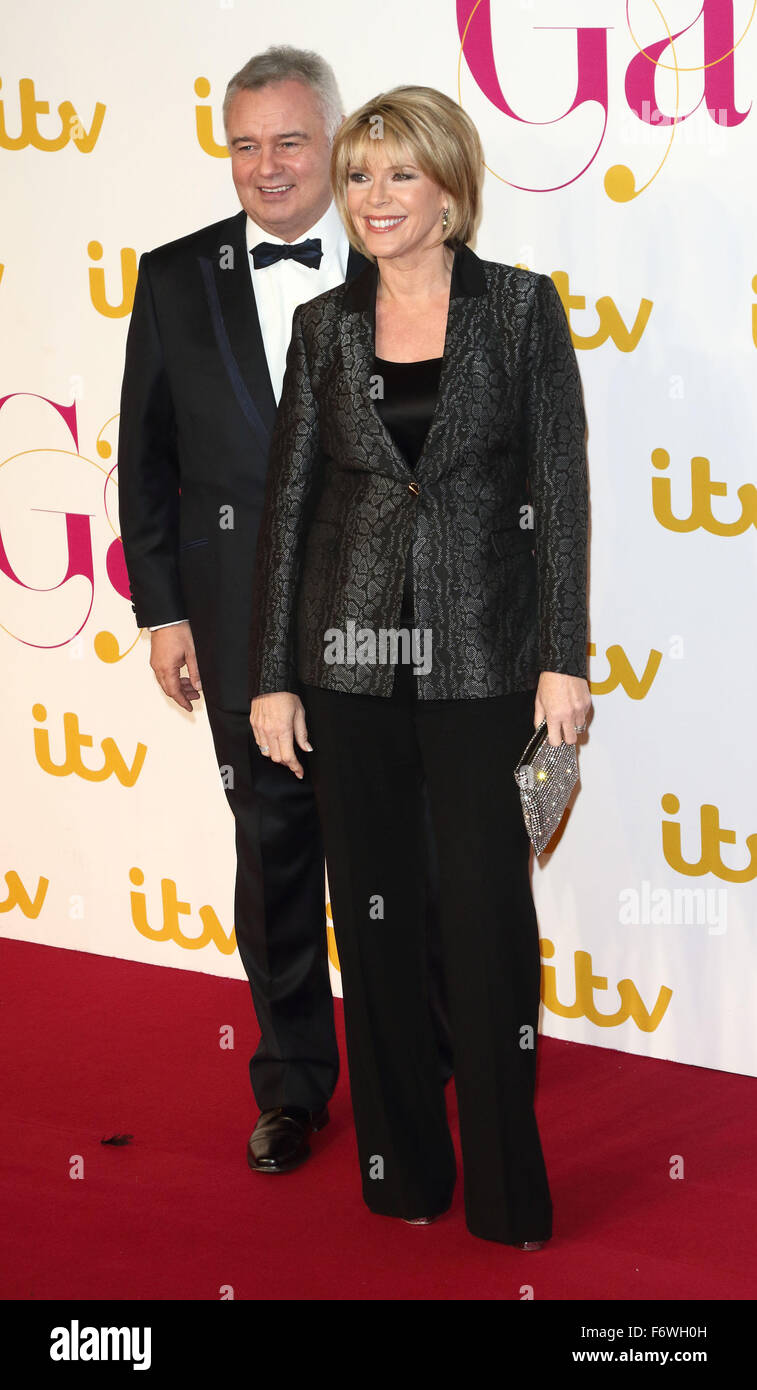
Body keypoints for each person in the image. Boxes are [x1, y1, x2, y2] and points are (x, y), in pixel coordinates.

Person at [248, 85, 591, 1247]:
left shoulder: (521, 312)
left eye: (398, 175)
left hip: (483, 657)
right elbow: (290, 503)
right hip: (348, 660)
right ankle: (401, 1172)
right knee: (377, 916)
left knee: (489, 918)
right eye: (357, 176)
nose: (374, 198)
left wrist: (563, 660)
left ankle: (506, 1193)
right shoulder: (324, 327)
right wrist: (274, 672)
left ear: (448, 187)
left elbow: (563, 490)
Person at [117, 49, 452, 1178]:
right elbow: (145, 458)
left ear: (336, 136)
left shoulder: (405, 264)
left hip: (380, 618)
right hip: (230, 613)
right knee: (271, 854)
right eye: (245, 144)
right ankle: (293, 1085)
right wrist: (164, 613)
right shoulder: (171, 278)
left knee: (399, 841)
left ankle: (428, 1053)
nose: (266, 166)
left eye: (290, 141)